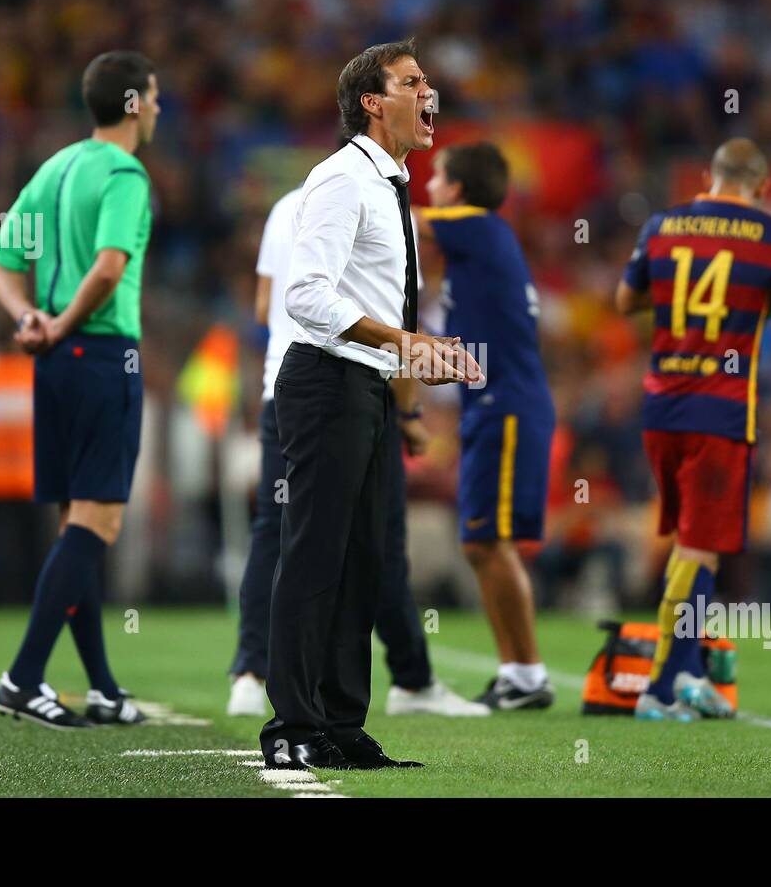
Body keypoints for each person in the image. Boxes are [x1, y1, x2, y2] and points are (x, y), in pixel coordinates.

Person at [260, 39, 481, 771]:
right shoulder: (341, 180)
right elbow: (305, 295)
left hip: (370, 385)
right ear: (372, 101)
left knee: (364, 561)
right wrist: (402, 339)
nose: (430, 94)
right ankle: (292, 722)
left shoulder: (391, 184)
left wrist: (417, 356)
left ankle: (340, 722)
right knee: (315, 553)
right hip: (325, 380)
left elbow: (378, 303)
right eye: (412, 82)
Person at [227, 178, 486, 719]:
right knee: (376, 540)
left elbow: (261, 307)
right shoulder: (385, 204)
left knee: (277, 533)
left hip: (283, 384)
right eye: (413, 86)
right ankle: (406, 679)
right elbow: (397, 320)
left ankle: (252, 674)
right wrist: (411, 411)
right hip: (354, 385)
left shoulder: (284, 205)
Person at [615, 138, 771, 721]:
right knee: (698, 543)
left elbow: (624, 300)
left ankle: (688, 673)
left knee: (698, 543)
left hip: (661, 406)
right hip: (719, 410)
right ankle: (661, 688)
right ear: (761, 188)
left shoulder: (663, 225)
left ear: (712, 179)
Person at [0, 50, 160, 729]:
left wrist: (27, 317)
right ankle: (23, 678)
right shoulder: (124, 172)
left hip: (53, 366)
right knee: (97, 523)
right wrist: (59, 322)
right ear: (136, 103)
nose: (160, 108)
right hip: (102, 355)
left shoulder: (54, 168)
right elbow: (111, 269)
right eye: (155, 96)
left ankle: (106, 691)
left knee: (74, 524)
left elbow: (0, 259)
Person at [415, 142, 557, 710]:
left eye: (436, 177)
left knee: (486, 540)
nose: (427, 186)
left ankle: (526, 673)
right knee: (482, 544)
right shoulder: (482, 244)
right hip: (493, 403)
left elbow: (410, 219)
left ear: (457, 190)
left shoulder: (476, 225)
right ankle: (520, 673)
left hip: (505, 405)